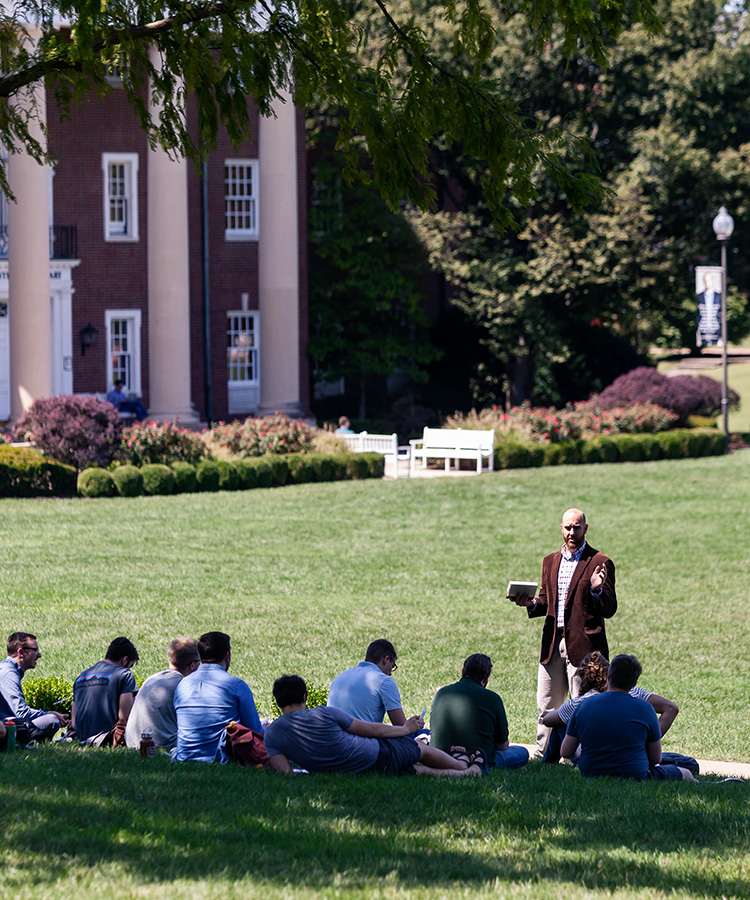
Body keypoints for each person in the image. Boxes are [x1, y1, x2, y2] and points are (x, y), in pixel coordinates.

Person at [509, 507, 617, 757]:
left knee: (584, 705)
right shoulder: (550, 561)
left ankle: (581, 755)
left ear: (586, 529)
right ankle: (543, 754)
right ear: (561, 528)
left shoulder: (600, 562)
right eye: (567, 527)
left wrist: (597, 590)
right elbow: (547, 601)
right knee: (547, 705)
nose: (572, 532)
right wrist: (530, 603)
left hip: (585, 648)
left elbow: (610, 609)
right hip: (552, 644)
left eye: (576, 527)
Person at [265, 674, 484, 776]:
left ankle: (462, 769)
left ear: (277, 701)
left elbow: (286, 774)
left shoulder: (272, 734)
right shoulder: (324, 714)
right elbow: (374, 730)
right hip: (373, 755)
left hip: (352, 771)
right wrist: (406, 729)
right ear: (305, 696)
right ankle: (463, 769)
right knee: (419, 749)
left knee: (413, 770)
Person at [561, 654, 694, 782]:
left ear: (608, 676)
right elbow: (655, 759)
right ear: (634, 682)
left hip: (590, 772)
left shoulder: (584, 705)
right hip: (634, 773)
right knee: (687, 771)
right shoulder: (645, 709)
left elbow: (566, 751)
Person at [541, 651, 680, 764]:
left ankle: (547, 763)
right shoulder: (637, 695)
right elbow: (671, 708)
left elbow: (547, 720)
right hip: (632, 754)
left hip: (592, 757)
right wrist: (647, 743)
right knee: (685, 763)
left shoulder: (581, 703)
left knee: (560, 724)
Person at [172, 631, 263, 763]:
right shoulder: (236, 685)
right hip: (221, 758)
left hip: (184, 757)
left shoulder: (182, 685)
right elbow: (254, 730)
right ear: (227, 656)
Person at [430, 653, 529, 771]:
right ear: (486, 678)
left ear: (463, 671)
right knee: (522, 752)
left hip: (443, 756)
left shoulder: (442, 693)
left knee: (424, 732)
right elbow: (502, 746)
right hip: (479, 758)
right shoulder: (493, 698)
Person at [124, 637, 201, 750]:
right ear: (192, 665)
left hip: (132, 742)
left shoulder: (152, 679)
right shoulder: (184, 686)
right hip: (162, 745)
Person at [0, 633, 69, 743]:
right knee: (51, 721)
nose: (39, 655)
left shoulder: (6, 669)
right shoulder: (8, 673)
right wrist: (49, 714)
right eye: (35, 650)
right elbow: (21, 713)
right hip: (4, 726)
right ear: (21, 652)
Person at [72, 636, 139, 744]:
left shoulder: (81, 677)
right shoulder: (124, 675)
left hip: (83, 740)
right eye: (130, 666)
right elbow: (124, 718)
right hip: (107, 740)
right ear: (125, 660)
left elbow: (75, 723)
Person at [327, 639, 405, 725]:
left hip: (332, 735)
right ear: (386, 659)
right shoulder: (384, 681)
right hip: (360, 737)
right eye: (392, 665)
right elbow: (401, 726)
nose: (390, 673)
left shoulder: (340, 676)